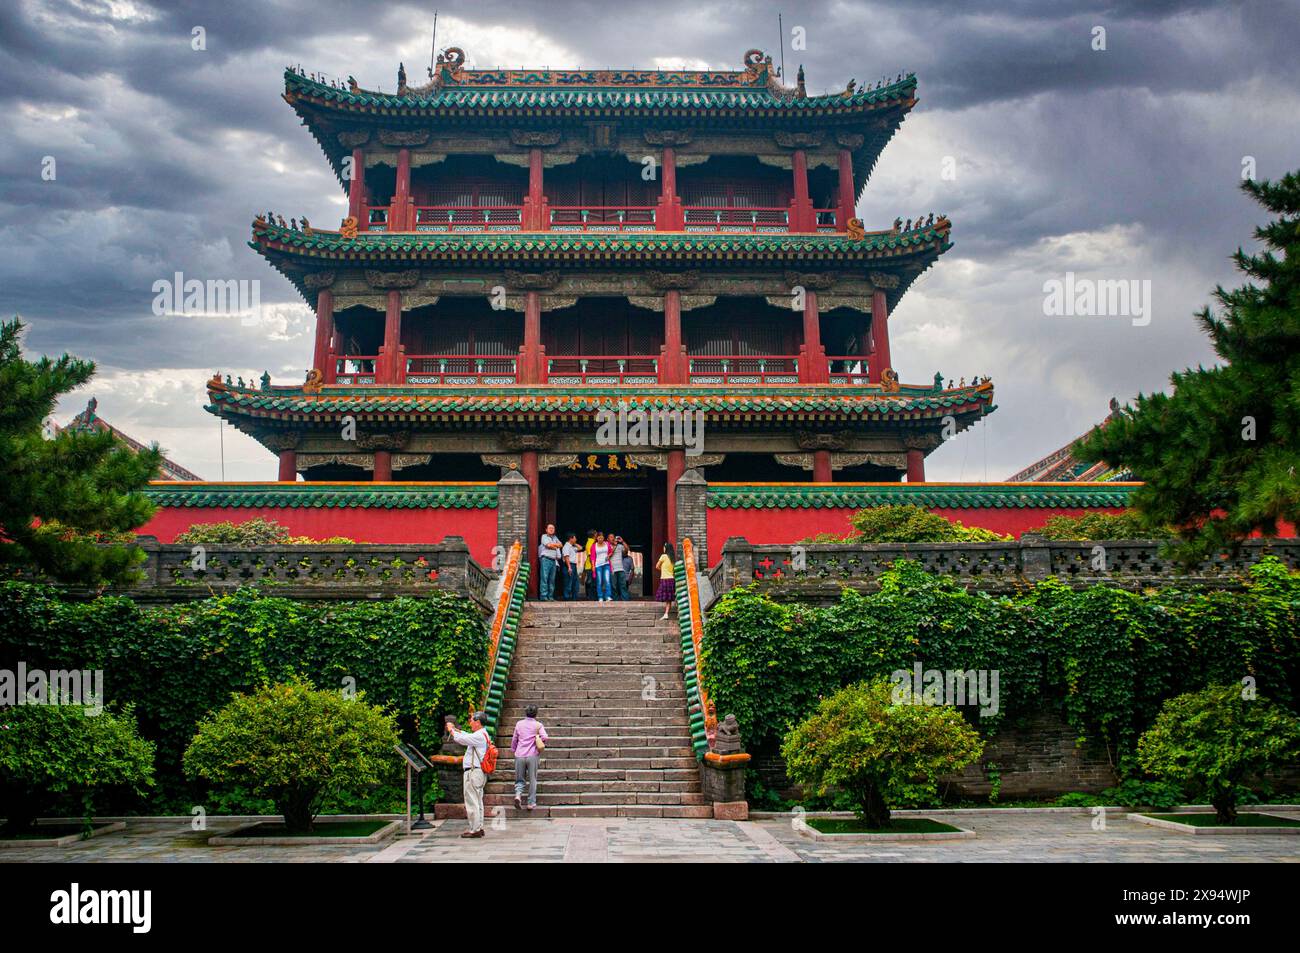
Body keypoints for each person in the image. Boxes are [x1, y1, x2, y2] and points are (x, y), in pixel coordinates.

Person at [446, 711, 491, 838]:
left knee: (472, 801)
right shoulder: (483, 734)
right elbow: (467, 735)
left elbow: (462, 739)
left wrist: (451, 730)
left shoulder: (479, 736)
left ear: (477, 722)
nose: (470, 722)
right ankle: (479, 826)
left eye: (471, 720)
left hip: (473, 772)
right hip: (478, 772)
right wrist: (456, 730)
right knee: (477, 800)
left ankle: (474, 829)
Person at [509, 704, 549, 811]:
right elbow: (545, 737)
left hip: (520, 754)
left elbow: (514, 739)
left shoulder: (519, 724)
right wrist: (538, 740)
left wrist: (513, 749)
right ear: (536, 713)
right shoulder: (538, 725)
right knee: (532, 779)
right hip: (532, 755)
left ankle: (518, 795)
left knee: (519, 779)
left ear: (526, 712)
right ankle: (531, 803)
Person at [537, 523, 562, 601]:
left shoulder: (555, 537)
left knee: (552, 579)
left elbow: (561, 545)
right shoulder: (544, 536)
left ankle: (550, 597)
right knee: (544, 578)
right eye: (550, 528)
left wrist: (553, 545)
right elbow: (548, 545)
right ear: (546, 530)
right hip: (546, 559)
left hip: (553, 560)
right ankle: (543, 596)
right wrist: (555, 545)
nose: (551, 529)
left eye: (553, 528)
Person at [591, 531, 613, 602]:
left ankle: (608, 596)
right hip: (598, 565)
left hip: (606, 564)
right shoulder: (594, 546)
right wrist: (593, 566)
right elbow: (593, 557)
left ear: (603, 538)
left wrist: (609, 556)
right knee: (599, 581)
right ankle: (600, 596)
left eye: (602, 538)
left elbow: (611, 551)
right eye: (599, 538)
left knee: (607, 580)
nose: (600, 539)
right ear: (597, 538)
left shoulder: (607, 544)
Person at [656, 542, 676, 620]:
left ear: (666, 548)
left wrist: (663, 569)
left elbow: (657, 566)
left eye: (664, 547)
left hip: (664, 579)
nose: (663, 548)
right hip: (671, 579)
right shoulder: (673, 558)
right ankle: (666, 613)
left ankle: (666, 614)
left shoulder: (663, 556)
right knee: (669, 599)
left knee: (666, 597)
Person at [561, 534, 582, 600]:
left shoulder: (572, 546)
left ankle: (574, 598)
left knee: (575, 583)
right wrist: (569, 567)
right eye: (575, 538)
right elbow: (566, 557)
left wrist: (574, 543)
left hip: (574, 565)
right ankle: (566, 598)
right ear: (571, 538)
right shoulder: (566, 546)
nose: (576, 540)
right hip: (568, 565)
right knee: (568, 583)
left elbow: (580, 548)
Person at [610, 534, 628, 601]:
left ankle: (625, 600)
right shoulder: (607, 546)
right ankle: (615, 600)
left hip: (620, 568)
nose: (613, 538)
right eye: (611, 537)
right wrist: (614, 546)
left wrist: (622, 542)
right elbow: (609, 555)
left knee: (623, 585)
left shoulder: (620, 546)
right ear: (608, 539)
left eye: (613, 537)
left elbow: (626, 550)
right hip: (612, 569)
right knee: (614, 586)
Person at [583, 528, 598, 600]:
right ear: (593, 535)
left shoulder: (593, 542)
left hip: (593, 565)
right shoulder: (590, 543)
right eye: (596, 533)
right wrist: (593, 566)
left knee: (593, 581)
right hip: (590, 566)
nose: (597, 535)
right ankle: (590, 597)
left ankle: (592, 596)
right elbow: (590, 555)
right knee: (590, 581)